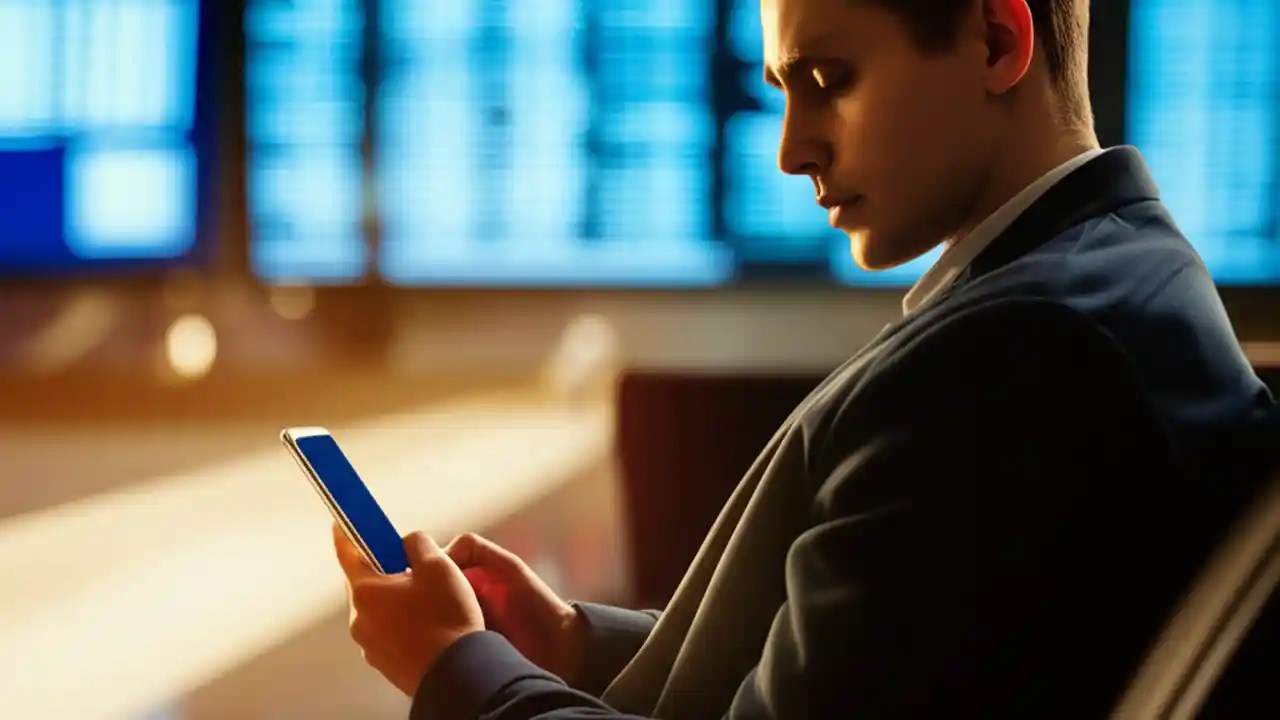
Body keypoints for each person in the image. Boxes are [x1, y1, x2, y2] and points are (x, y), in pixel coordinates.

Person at [331, 0, 1280, 717]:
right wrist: (577, 649)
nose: (790, 151)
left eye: (829, 79)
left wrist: (457, 669)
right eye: (783, 91)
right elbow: (873, 669)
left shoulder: (1006, 365)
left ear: (998, 41)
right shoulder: (1124, 272)